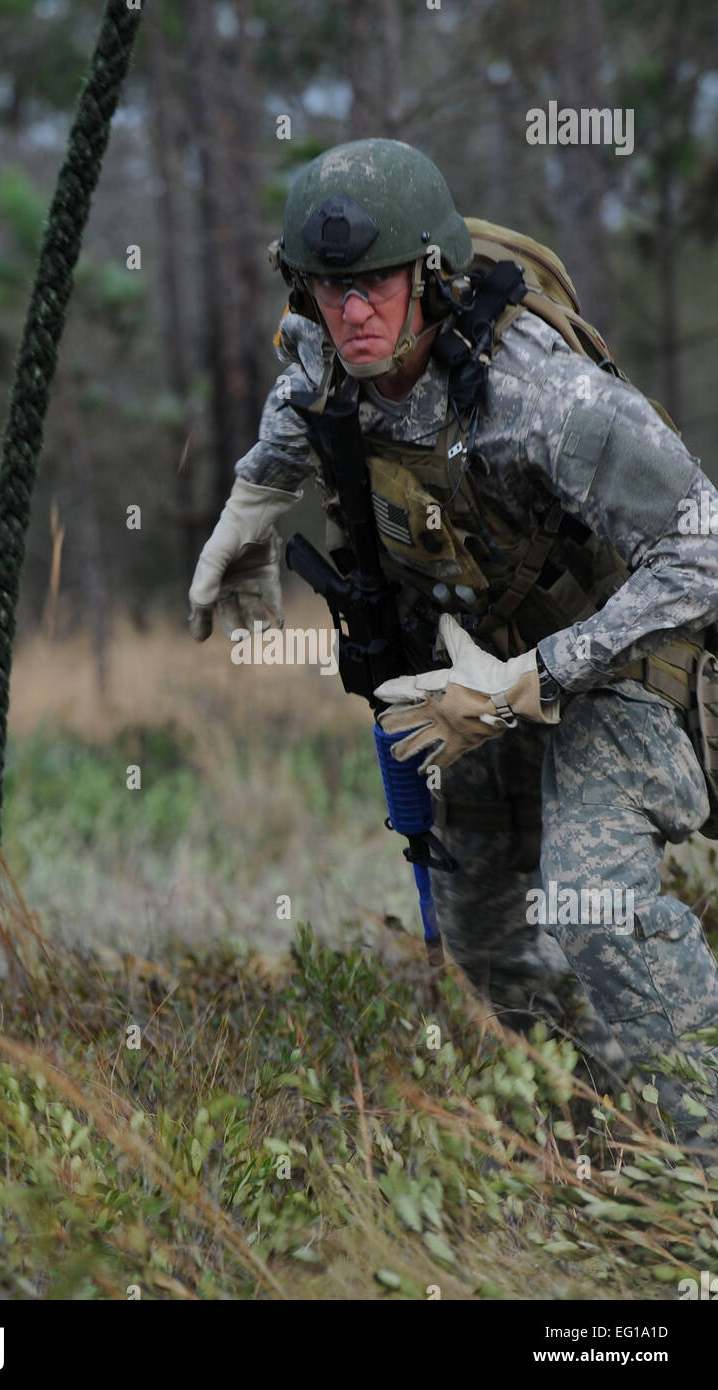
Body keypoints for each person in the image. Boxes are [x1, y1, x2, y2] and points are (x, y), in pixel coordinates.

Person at [188, 137, 718, 1150]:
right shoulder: (324, 349)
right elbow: (298, 397)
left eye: (376, 282)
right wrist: (249, 509)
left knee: (591, 899)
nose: (351, 311)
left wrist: (535, 676)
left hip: (618, 667)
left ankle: (699, 1166)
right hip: (467, 673)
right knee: (485, 948)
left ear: (430, 275)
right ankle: (597, 1133)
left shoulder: (543, 400)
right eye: (327, 286)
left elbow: (699, 548)